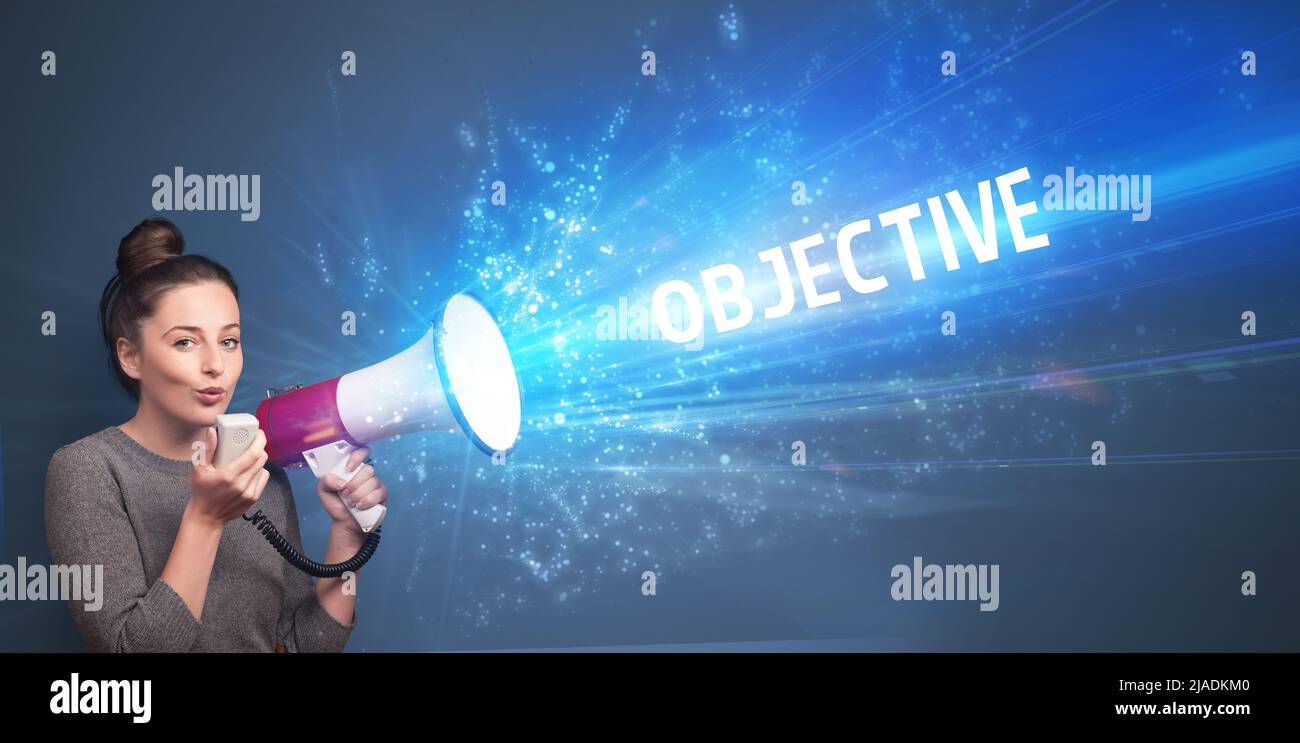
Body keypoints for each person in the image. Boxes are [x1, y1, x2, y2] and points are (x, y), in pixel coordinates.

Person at [43, 217, 388, 652]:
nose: (215, 366)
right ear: (131, 356)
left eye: (229, 341)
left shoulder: (256, 467)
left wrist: (347, 537)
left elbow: (305, 646)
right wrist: (205, 519)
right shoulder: (88, 470)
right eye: (186, 342)